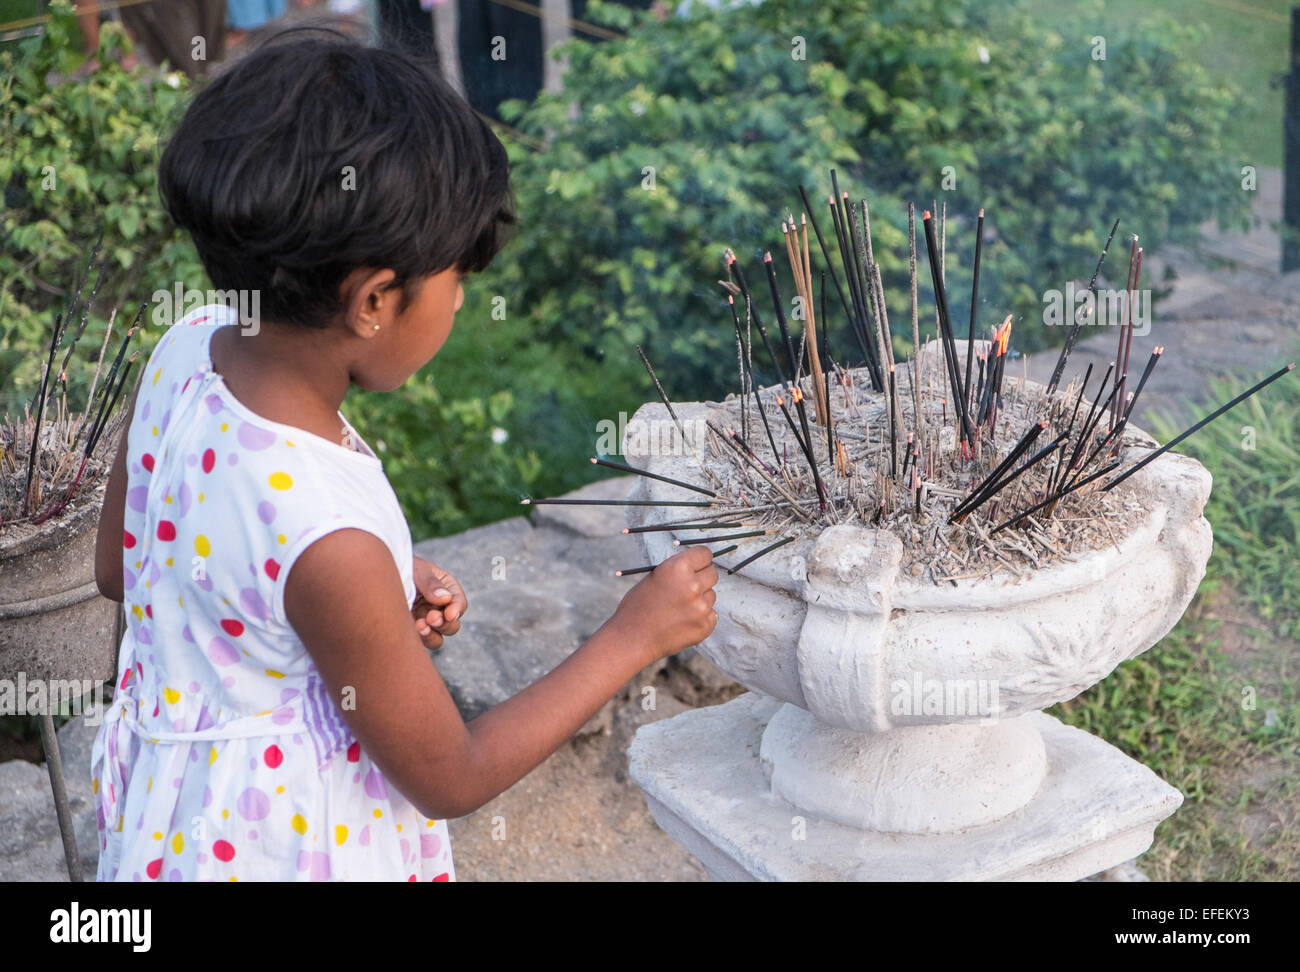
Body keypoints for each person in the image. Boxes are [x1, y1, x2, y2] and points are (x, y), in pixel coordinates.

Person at [90, 28, 719, 881]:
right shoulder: (327, 533)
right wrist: (634, 635)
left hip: (179, 820)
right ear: (375, 300)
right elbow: (448, 775)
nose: (462, 302)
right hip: (289, 845)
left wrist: (354, 601)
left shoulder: (188, 347)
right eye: (459, 279)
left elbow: (127, 571)